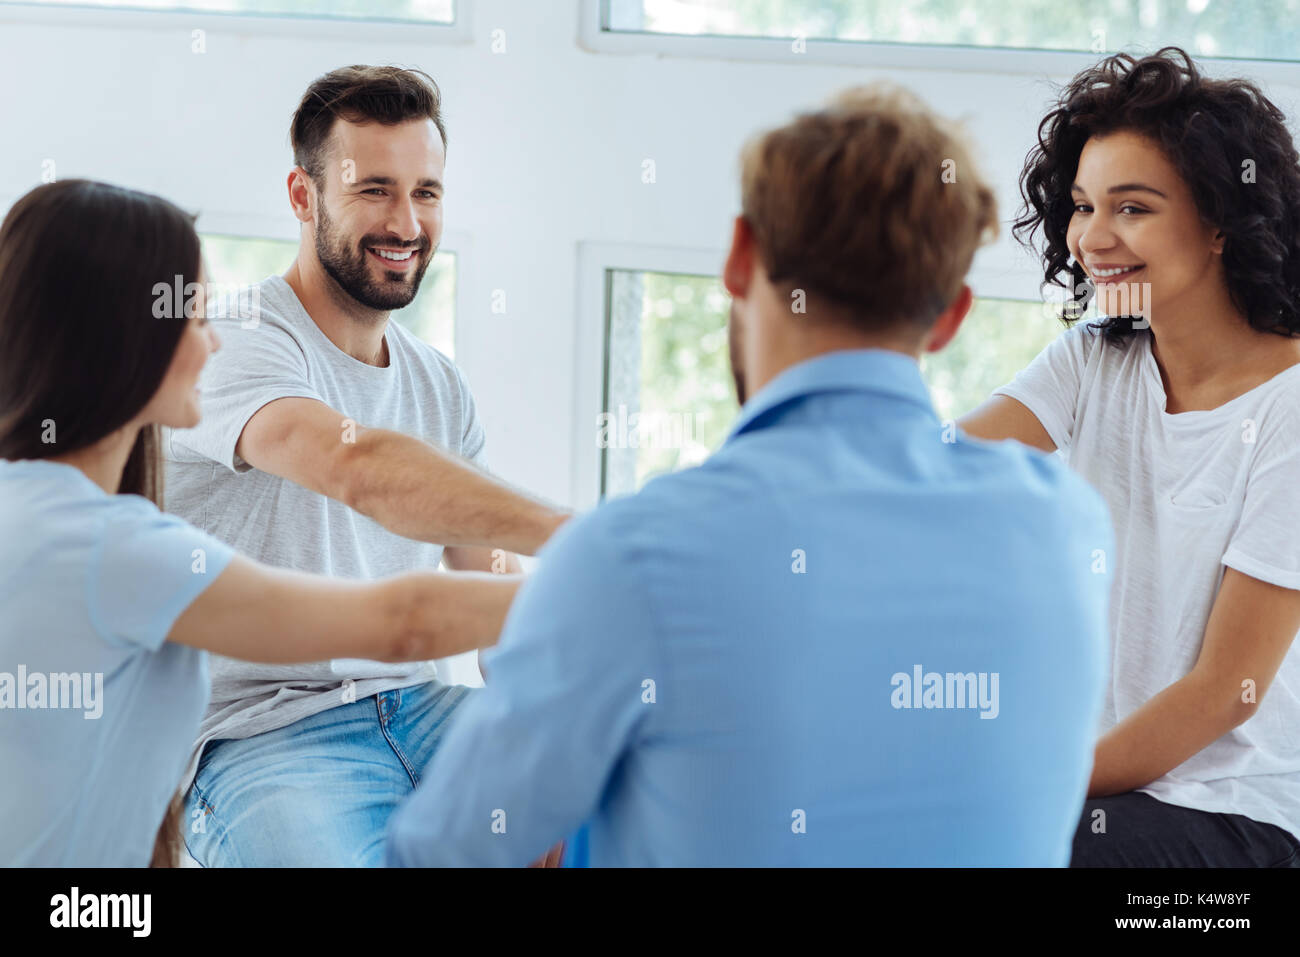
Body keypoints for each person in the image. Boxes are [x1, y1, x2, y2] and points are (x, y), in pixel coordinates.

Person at [386, 85, 1115, 867]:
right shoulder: (1066, 527)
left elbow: (442, 855)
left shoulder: (634, 555)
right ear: (951, 315)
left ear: (738, 256)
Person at [0, 179, 520, 867]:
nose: (214, 344)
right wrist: (599, 570)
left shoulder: (51, 510)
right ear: (119, 338)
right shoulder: (106, 547)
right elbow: (403, 619)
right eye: (193, 317)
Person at [163, 65, 568, 867]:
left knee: (630, 808)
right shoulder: (238, 340)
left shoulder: (438, 383)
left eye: (427, 192)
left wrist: (543, 730)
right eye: (375, 189)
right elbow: (359, 469)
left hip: (425, 709)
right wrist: (584, 534)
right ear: (303, 195)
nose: (407, 221)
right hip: (263, 737)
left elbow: (488, 574)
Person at [961, 48, 1300, 867]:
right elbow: (932, 474)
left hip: (1240, 817)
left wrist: (1034, 779)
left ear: (1223, 223)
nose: (1092, 237)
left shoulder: (1290, 406)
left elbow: (1229, 690)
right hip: (1108, 794)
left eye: (1133, 208)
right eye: (1081, 206)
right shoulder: (1099, 356)